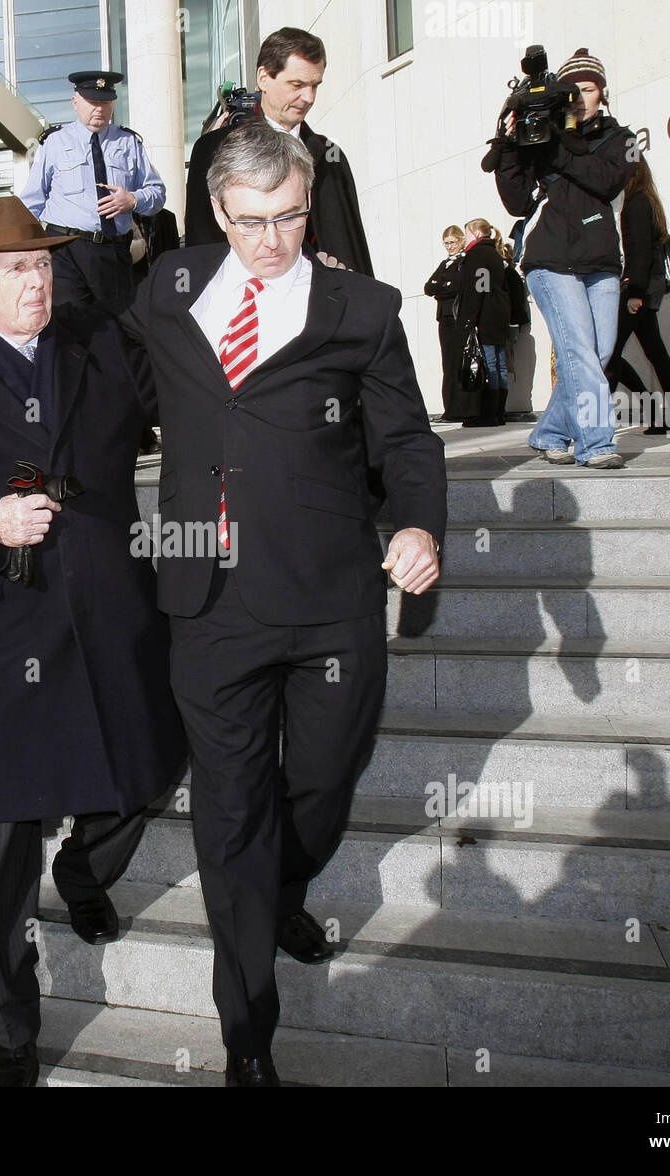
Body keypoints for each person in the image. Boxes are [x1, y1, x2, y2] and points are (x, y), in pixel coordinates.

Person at [126, 122, 443, 1084]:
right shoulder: (171, 287)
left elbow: (407, 442)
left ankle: (283, 885)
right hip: (208, 601)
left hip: (328, 599)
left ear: (310, 201)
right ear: (218, 210)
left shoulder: (360, 306)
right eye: (251, 219)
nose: (271, 239)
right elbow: (108, 369)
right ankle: (246, 1033)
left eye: (290, 216)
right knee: (229, 814)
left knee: (320, 782)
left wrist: (419, 526)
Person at [0, 198, 187, 1087]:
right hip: (4, 622)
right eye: (16, 268)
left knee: (151, 765)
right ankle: (13, 1026)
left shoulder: (98, 340)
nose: (36, 280)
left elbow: (185, 376)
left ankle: (87, 872)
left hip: (110, 606)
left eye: (43, 264)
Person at [488, 47, 636, 468]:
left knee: (598, 352)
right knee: (582, 353)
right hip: (549, 259)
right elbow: (517, 202)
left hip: (601, 260)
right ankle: (596, 443)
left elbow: (606, 181)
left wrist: (560, 146)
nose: (580, 97)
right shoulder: (540, 137)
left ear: (601, 93)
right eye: (572, 90)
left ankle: (550, 431)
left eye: (588, 88)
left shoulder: (620, 139)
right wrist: (510, 148)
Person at [184, 27, 373, 275]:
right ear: (263, 78)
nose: (308, 97)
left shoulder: (329, 157)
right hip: (246, 304)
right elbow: (203, 245)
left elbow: (350, 249)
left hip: (324, 304)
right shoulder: (213, 150)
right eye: (297, 84)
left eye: (315, 85)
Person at [18, 72, 166, 313]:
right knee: (70, 325)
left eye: (105, 102)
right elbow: (32, 201)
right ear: (75, 102)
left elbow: (157, 193)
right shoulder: (53, 143)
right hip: (64, 249)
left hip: (113, 252)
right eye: (92, 102)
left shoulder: (129, 143)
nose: (99, 109)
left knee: (116, 328)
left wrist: (133, 199)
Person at [606, 155, 670, 436]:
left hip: (639, 288)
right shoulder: (647, 200)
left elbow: (639, 253)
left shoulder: (636, 203)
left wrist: (634, 292)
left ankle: (593, 423)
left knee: (610, 354)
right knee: (655, 353)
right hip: (647, 286)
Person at [455, 218, 513, 427]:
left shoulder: (478, 254)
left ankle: (488, 414)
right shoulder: (494, 254)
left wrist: (471, 319)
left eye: (467, 233)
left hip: (486, 316)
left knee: (489, 364)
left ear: (476, 233)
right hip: (499, 315)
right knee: (500, 364)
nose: (465, 238)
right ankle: (499, 412)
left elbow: (479, 288)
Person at [424, 225, 465, 420]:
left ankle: (459, 408)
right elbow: (428, 287)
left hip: (456, 316)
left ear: (461, 241)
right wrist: (442, 287)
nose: (449, 247)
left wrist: (441, 288)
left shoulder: (463, 262)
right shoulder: (444, 263)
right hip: (444, 318)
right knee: (447, 363)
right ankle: (450, 407)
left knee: (457, 362)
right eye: (446, 243)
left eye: (452, 242)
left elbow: (457, 286)